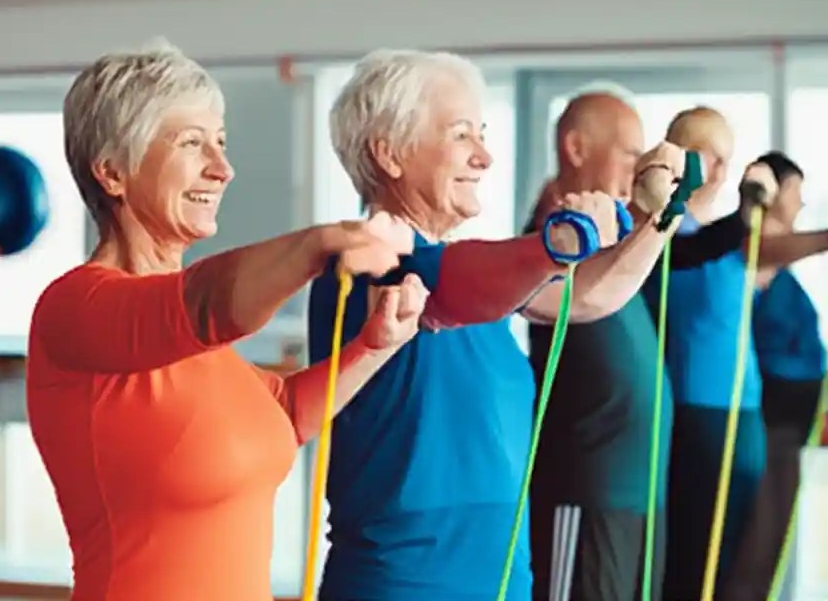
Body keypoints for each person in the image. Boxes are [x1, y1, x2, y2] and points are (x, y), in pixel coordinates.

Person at [25, 42, 430, 601]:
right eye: (192, 144)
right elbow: (203, 304)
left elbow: (283, 416)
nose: (222, 169)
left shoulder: (194, 337)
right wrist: (319, 244)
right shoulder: (78, 310)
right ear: (112, 172)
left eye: (220, 143)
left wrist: (374, 346)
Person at [305, 51, 692, 601]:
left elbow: (586, 296)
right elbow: (475, 278)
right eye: (462, 135)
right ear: (389, 153)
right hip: (408, 581)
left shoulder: (466, 276)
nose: (484, 157)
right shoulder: (376, 262)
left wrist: (661, 217)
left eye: (481, 134)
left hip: (501, 573)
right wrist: (561, 241)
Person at [524, 91, 781, 601]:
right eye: (628, 152)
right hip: (589, 487)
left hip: (641, 490)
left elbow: (685, 245)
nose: (638, 166)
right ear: (576, 148)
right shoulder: (557, 234)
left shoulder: (619, 240)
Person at [652, 110, 828, 601]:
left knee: (729, 558)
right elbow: (757, 246)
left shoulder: (715, 237)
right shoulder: (681, 236)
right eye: (715, 160)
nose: (722, 173)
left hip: (739, 415)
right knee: (699, 559)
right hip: (706, 417)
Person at [728, 152, 826, 598]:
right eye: (796, 192)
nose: (802, 203)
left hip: (795, 424)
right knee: (757, 545)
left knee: (773, 549)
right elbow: (757, 251)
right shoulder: (749, 250)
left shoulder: (778, 263)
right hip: (772, 423)